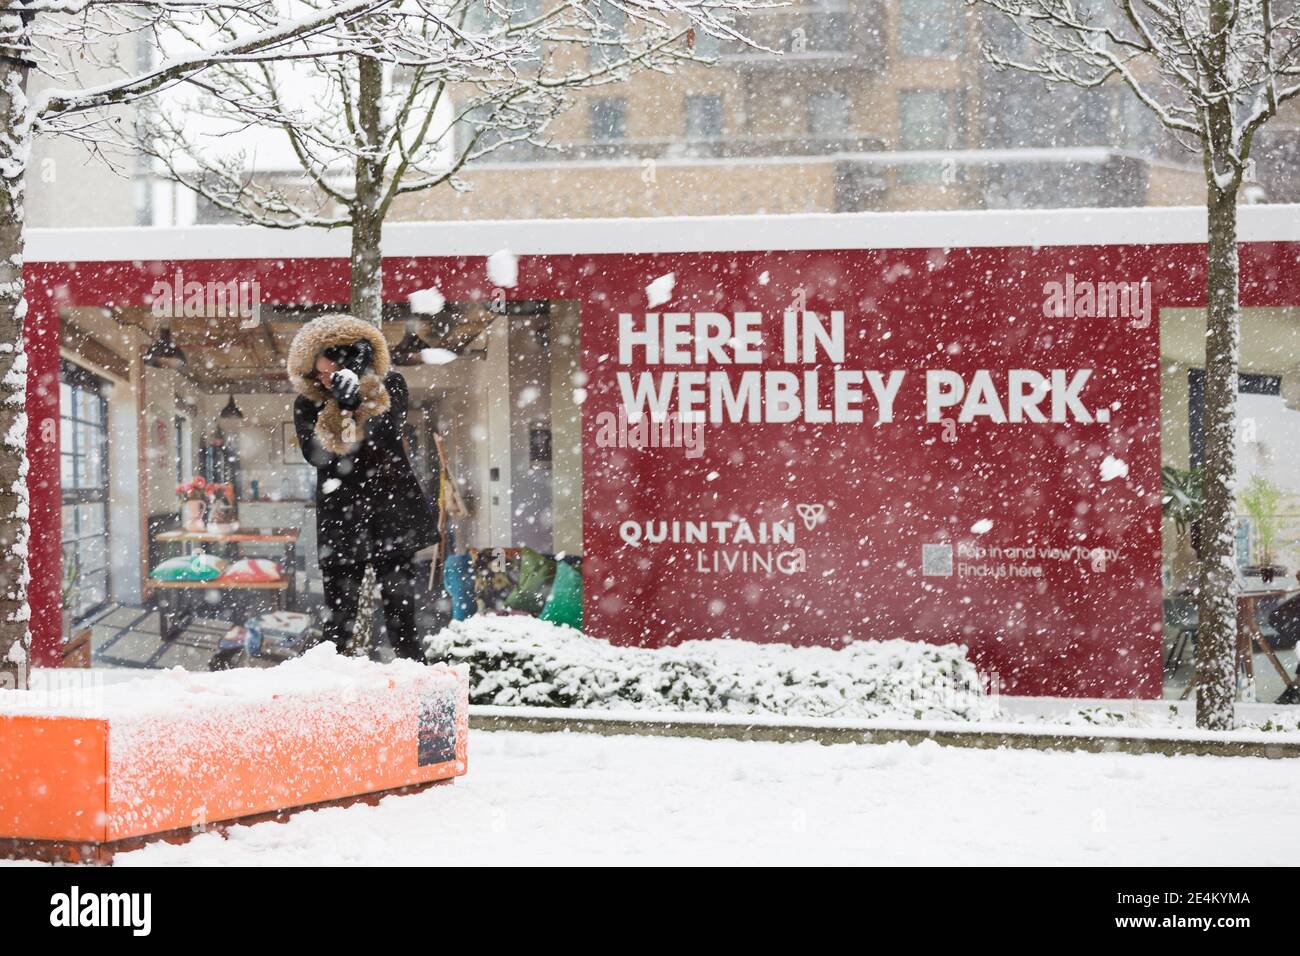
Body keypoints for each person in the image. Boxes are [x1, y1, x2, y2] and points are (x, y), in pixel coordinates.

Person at [287, 313, 439, 660]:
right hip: (340, 517)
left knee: (403, 619)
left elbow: (385, 434)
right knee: (338, 624)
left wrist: (357, 401)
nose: (323, 379)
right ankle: (335, 697)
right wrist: (338, 407)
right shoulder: (308, 404)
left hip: (391, 509)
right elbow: (317, 456)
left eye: (328, 371)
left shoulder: (391, 386)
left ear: (346, 361)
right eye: (317, 374)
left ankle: (410, 688)